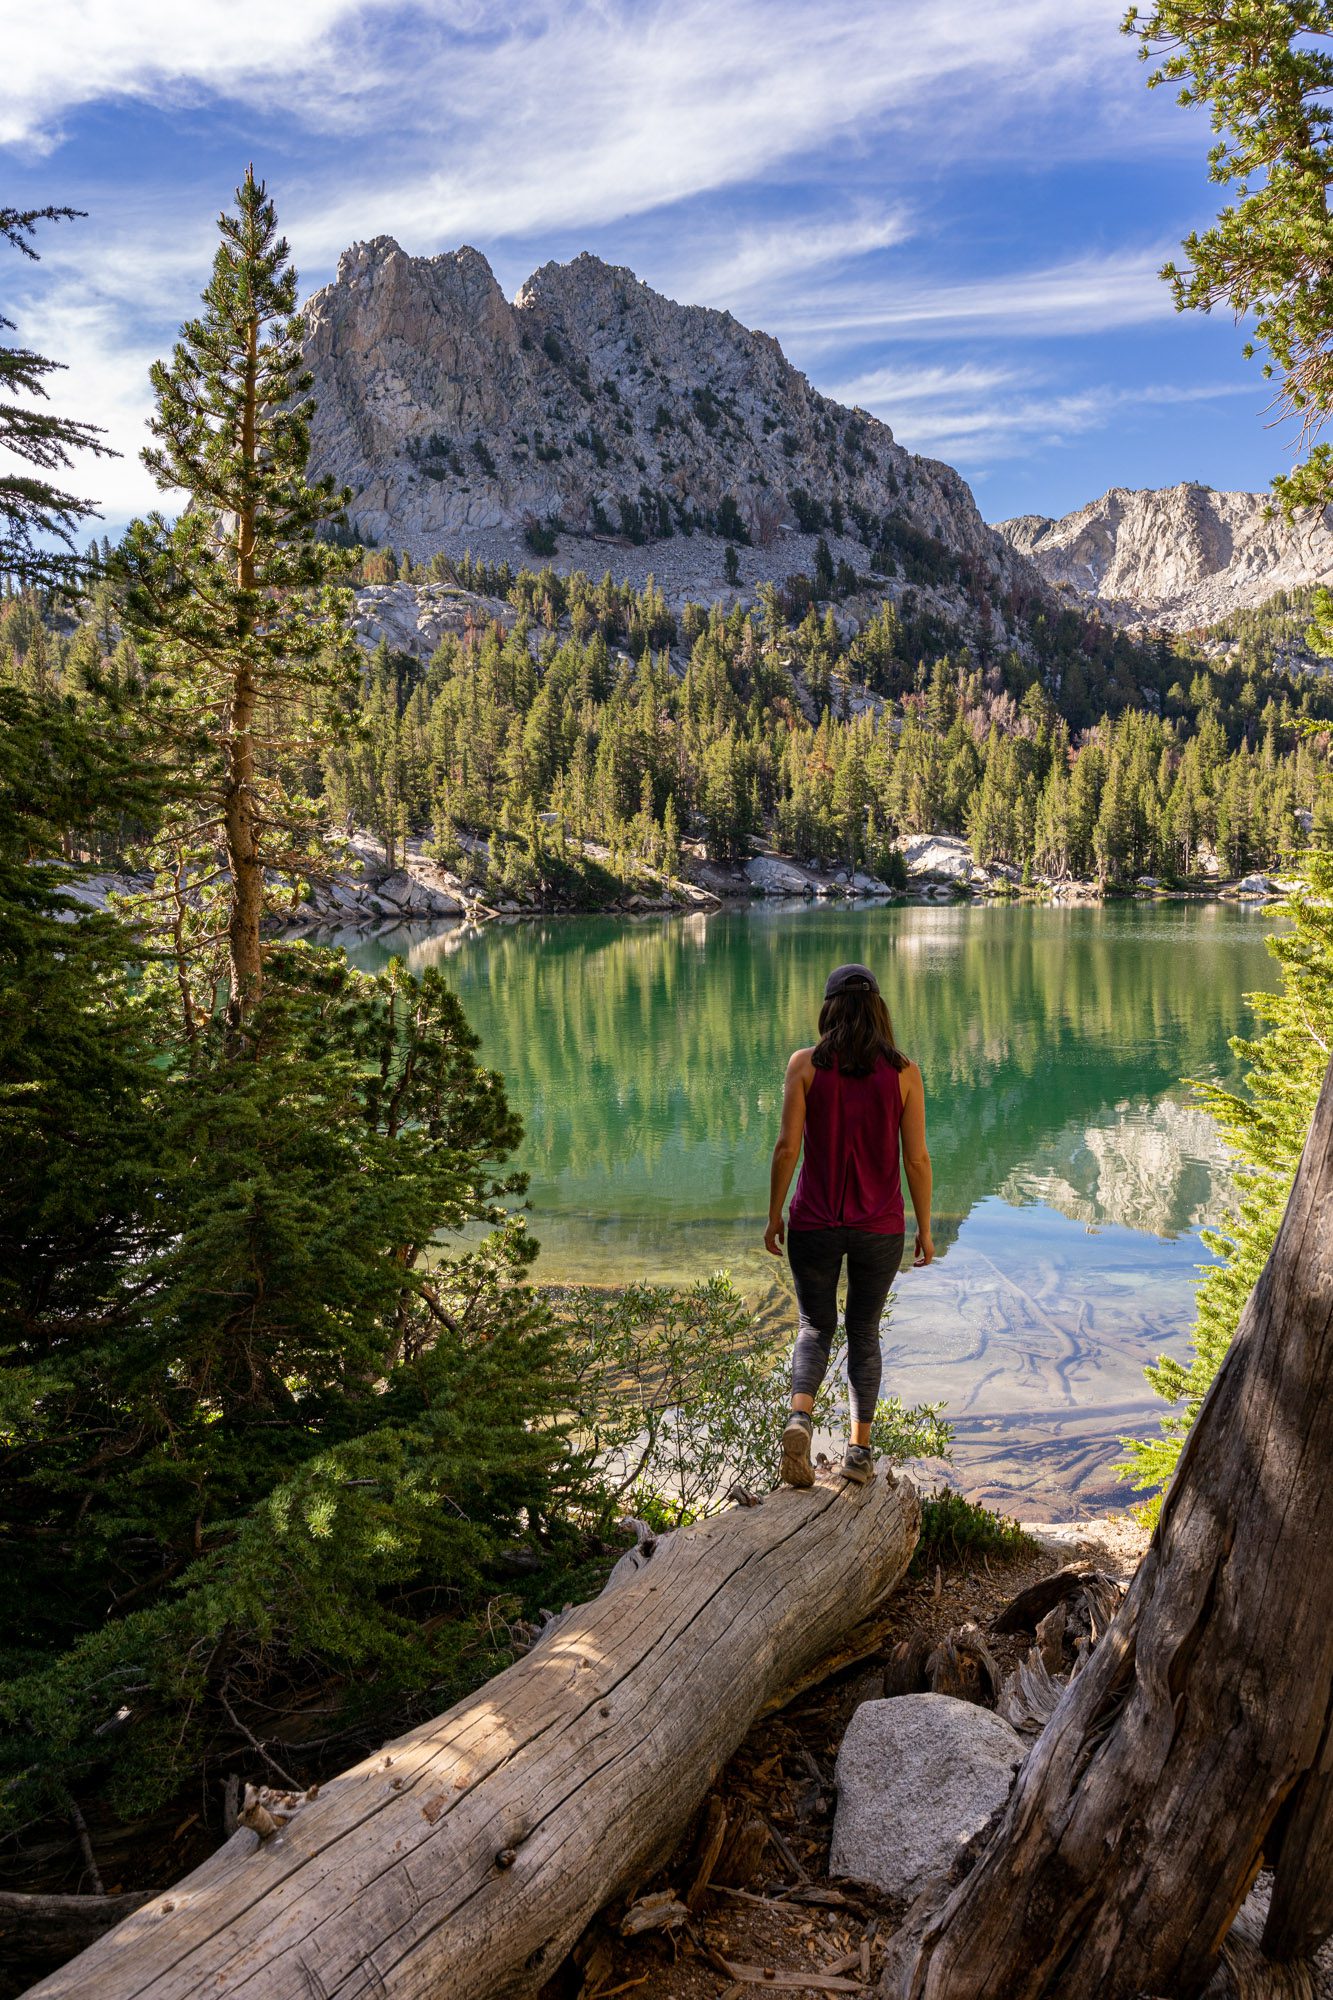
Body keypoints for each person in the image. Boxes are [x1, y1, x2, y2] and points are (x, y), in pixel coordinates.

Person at [764, 962, 933, 1487]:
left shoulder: (805, 1065)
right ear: (879, 1009)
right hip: (879, 1228)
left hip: (813, 1221)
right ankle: (859, 1452)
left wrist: (774, 1215)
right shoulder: (904, 1072)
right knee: (863, 1330)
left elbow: (787, 1146)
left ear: (828, 1008)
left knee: (815, 1326)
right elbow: (917, 1160)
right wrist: (925, 1228)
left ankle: (799, 1420)